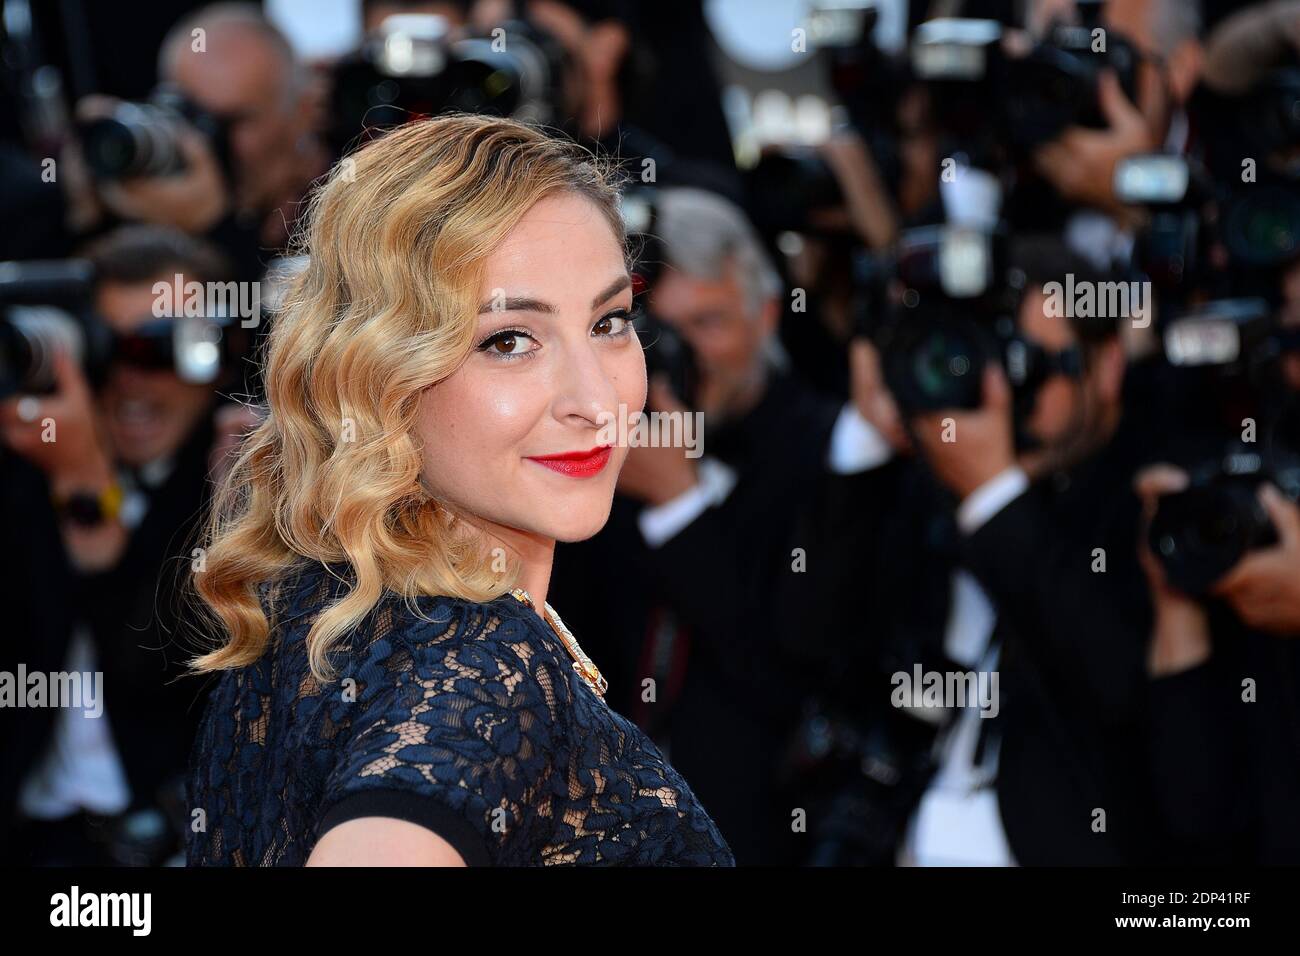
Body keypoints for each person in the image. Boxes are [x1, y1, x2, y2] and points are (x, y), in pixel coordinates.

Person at [184, 112, 735, 867]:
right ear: (382, 377)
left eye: (610, 322)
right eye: (509, 341)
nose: (595, 398)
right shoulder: (482, 667)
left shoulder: (318, 628)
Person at [0, 225, 248, 865]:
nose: (133, 382)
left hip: (175, 839)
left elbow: (163, 672)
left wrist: (84, 484)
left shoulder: (239, 480)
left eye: (163, 349)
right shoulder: (21, 469)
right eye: (112, 350)